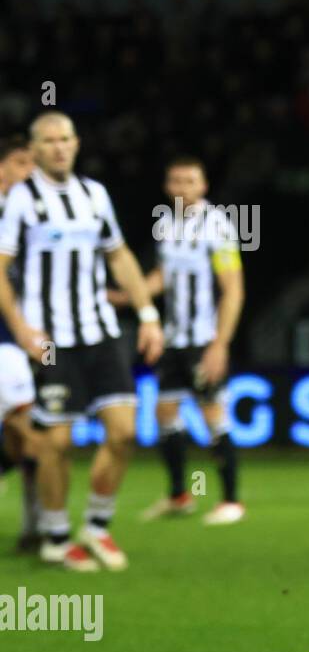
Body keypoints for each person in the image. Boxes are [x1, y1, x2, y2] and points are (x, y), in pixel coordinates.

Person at [0, 112, 163, 571]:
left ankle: (96, 526)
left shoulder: (94, 195)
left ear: (77, 144)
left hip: (100, 331)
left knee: (125, 432)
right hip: (50, 338)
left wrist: (148, 314)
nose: (58, 147)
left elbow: (120, 255)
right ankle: (55, 535)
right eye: (48, 141)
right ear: (33, 150)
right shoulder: (21, 201)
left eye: (66, 139)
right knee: (55, 442)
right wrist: (22, 328)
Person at [122, 157, 246, 525]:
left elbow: (233, 289)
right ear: (167, 186)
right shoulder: (166, 223)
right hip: (173, 339)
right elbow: (164, 275)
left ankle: (230, 501)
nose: (182, 188)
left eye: (190, 181)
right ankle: (180, 495)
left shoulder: (217, 226)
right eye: (176, 181)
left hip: (204, 338)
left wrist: (219, 344)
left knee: (212, 415)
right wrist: (134, 294)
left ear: (204, 187)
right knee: (164, 414)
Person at [0, 134, 41, 550]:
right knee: (23, 431)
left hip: (15, 342)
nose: (30, 172)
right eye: (21, 163)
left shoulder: (36, 217)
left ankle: (37, 525)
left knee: (24, 432)